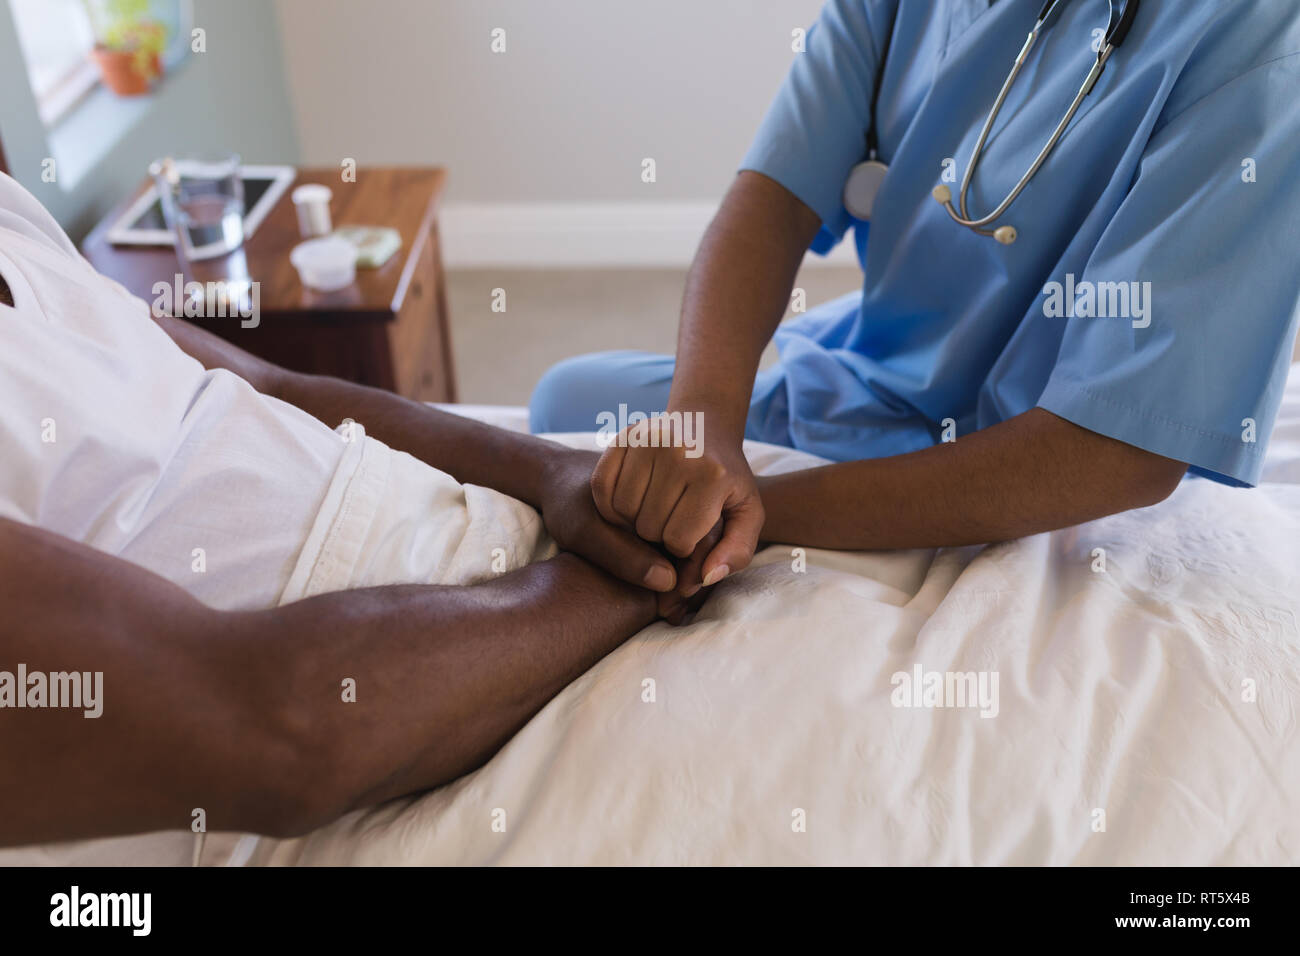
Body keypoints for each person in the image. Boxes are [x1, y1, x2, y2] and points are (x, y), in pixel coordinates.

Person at [0, 169, 713, 849]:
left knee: (747, 517)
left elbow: (271, 382)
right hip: (385, 729)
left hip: (495, 565)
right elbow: (279, 736)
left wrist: (557, 474)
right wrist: (624, 580)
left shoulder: (10, 217)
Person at [529, 0, 1300, 591]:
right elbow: (773, 196)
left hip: (1037, 453)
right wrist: (702, 431)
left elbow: (1123, 454)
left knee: (622, 495)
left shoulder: (1261, 46)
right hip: (877, 374)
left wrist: (754, 508)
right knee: (570, 402)